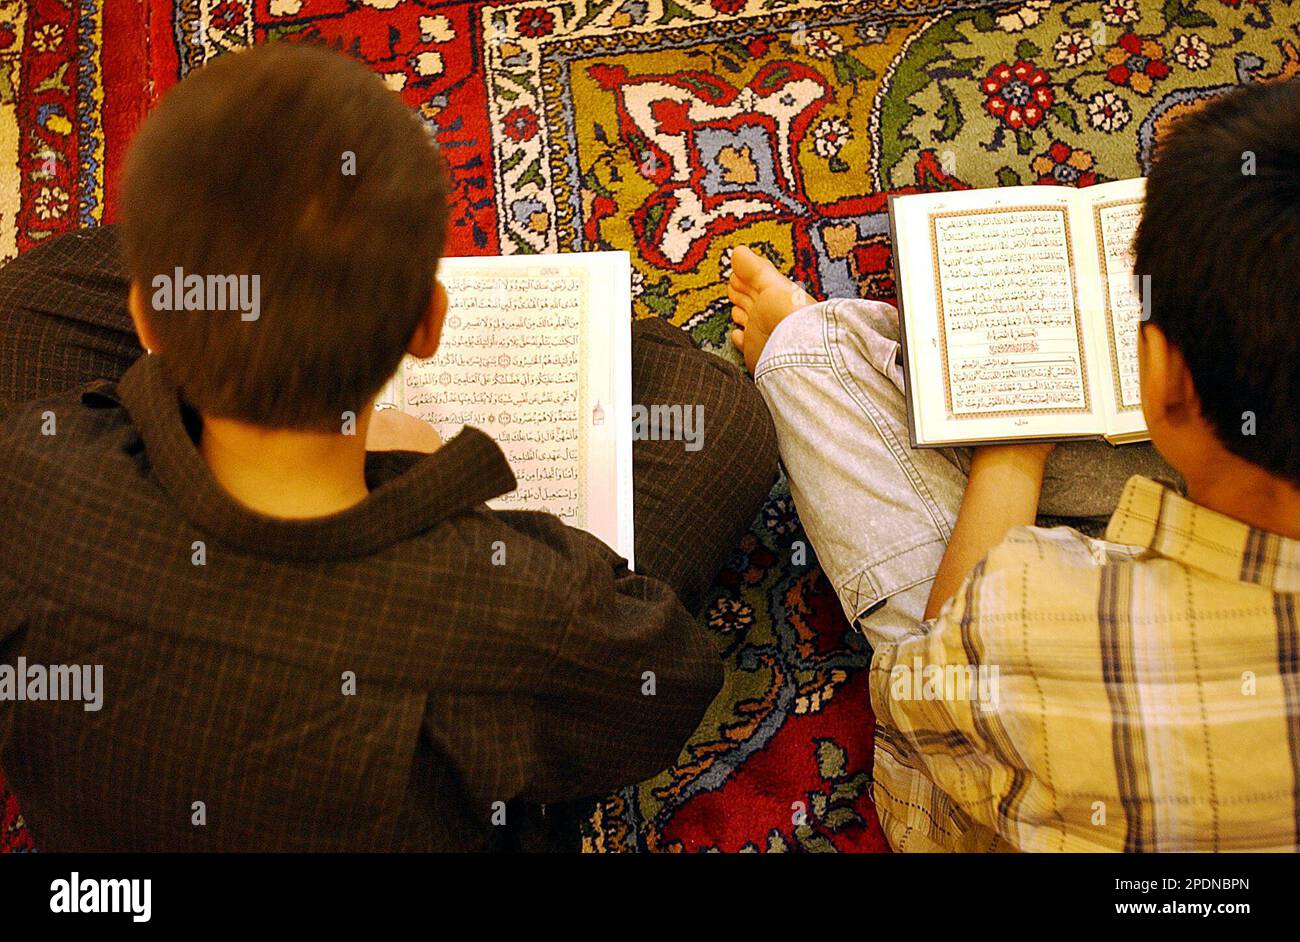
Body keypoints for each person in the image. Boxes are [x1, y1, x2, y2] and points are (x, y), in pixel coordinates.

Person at [0, 42, 778, 851]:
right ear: (430, 324)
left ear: (149, 320)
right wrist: (416, 477)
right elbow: (661, 693)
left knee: (27, 301)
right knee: (715, 417)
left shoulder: (24, 483)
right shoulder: (522, 610)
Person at [729, 79, 1300, 851]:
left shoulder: (1027, 606)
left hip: (989, 768)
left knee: (816, 359)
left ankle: (854, 367)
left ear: (1163, 376)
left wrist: (1012, 443)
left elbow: (921, 694)